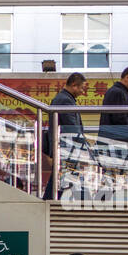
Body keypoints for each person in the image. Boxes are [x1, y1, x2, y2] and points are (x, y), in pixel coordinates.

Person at [42, 72, 91, 200]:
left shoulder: (64, 99)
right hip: (67, 150)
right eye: (81, 88)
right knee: (67, 180)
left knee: (63, 180)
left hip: (66, 149)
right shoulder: (64, 100)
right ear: (74, 85)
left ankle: (48, 203)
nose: (82, 92)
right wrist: (85, 148)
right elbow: (73, 129)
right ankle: (86, 206)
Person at [99, 64, 128, 168]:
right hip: (116, 146)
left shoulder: (118, 92)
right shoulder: (118, 93)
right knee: (118, 177)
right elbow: (120, 120)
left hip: (114, 145)